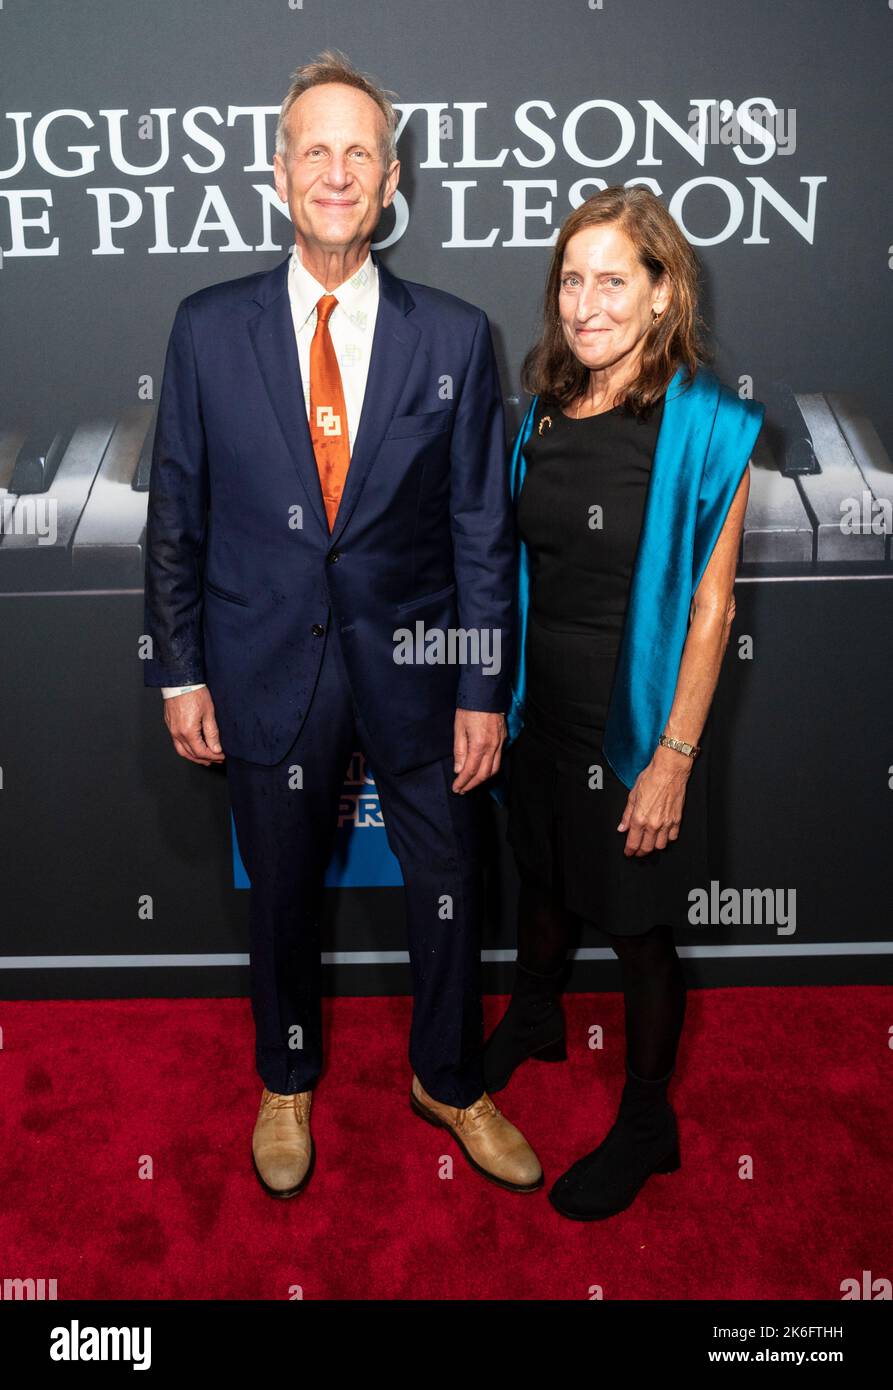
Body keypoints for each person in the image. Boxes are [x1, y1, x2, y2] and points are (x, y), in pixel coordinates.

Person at [143, 49, 542, 1199]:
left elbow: (479, 528)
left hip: (419, 667)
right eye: (313, 150)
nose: (334, 171)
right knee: (278, 889)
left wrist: (478, 685)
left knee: (451, 883)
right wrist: (180, 671)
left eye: (356, 153)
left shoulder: (455, 337)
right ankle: (285, 1076)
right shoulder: (207, 327)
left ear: (389, 179)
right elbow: (178, 509)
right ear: (278, 175)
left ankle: (448, 1076)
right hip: (262, 661)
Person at [485, 185, 764, 1220]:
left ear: (660, 294)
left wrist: (672, 758)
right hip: (539, 710)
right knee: (545, 881)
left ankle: (648, 1121)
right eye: (570, 279)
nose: (585, 303)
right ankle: (536, 1016)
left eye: (613, 280)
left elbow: (708, 606)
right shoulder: (548, 407)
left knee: (639, 930)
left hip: (636, 723)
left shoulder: (706, 425)